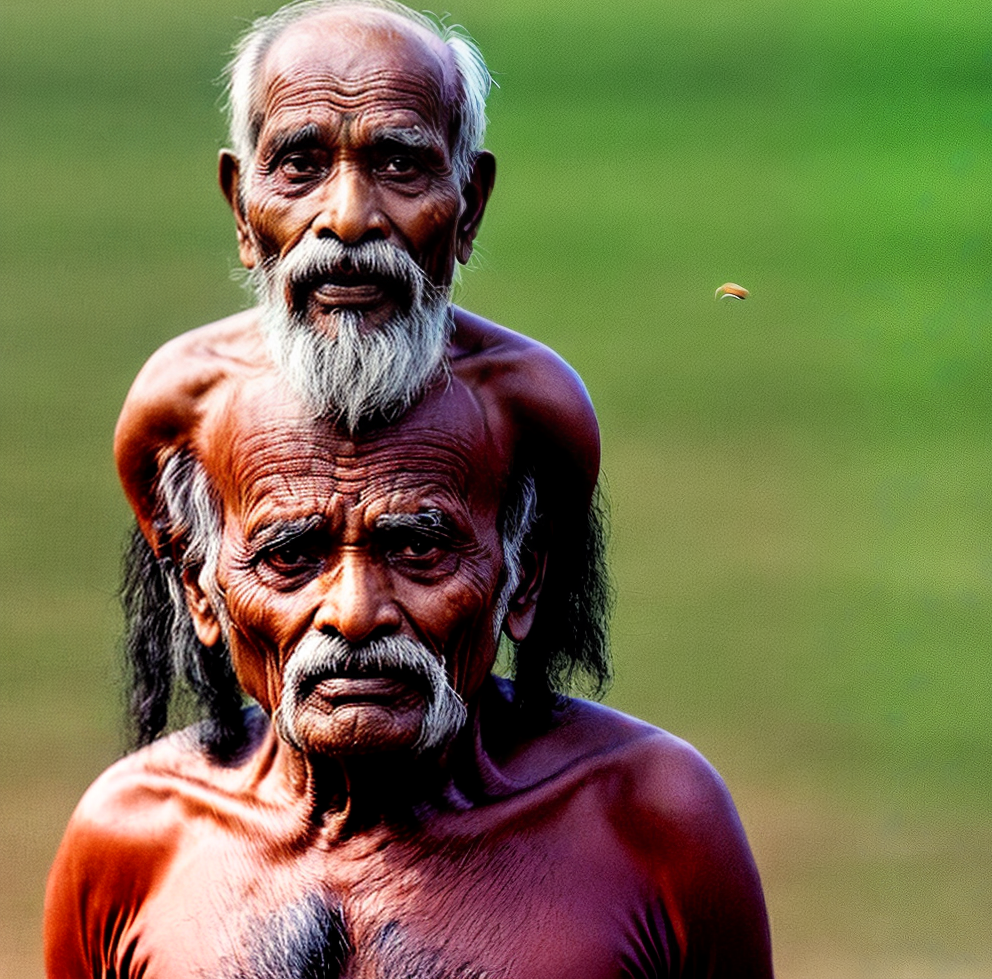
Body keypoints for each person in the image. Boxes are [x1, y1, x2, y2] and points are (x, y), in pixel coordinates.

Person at [45, 370, 773, 976]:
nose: (355, 614)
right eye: (290, 557)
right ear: (203, 593)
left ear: (522, 578)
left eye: (419, 550)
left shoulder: (650, 826)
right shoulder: (133, 843)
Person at [114, 0, 600, 610]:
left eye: (399, 164)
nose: (347, 218)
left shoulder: (533, 410)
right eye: (299, 165)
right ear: (241, 208)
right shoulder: (180, 410)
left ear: (469, 207)